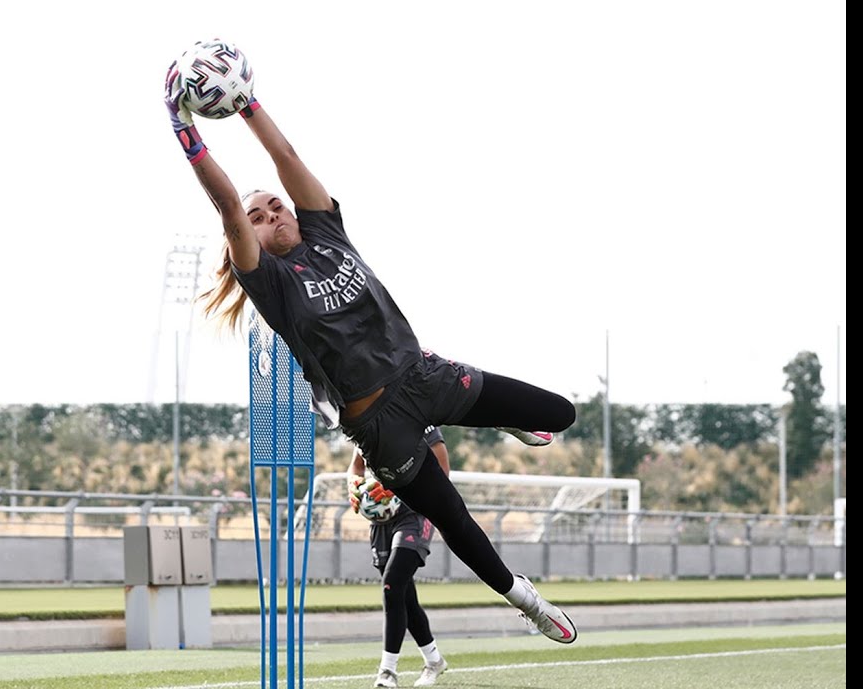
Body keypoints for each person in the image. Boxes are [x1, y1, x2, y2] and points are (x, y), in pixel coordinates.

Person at [165, 60, 578, 644]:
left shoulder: (328, 233)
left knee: (560, 413)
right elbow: (228, 205)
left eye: (275, 206)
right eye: (257, 217)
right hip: (380, 428)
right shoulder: (270, 282)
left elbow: (286, 158)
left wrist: (248, 104)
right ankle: (526, 599)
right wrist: (185, 130)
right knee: (455, 522)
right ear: (247, 238)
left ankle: (505, 419)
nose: (269, 215)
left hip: (423, 375)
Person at [348, 426, 450, 687]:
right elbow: (355, 468)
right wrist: (355, 486)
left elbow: (443, 474)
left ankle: (388, 671)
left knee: (392, 586)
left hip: (415, 513)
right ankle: (434, 661)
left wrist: (397, 489)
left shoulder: (422, 425)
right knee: (404, 597)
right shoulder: (367, 424)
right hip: (382, 522)